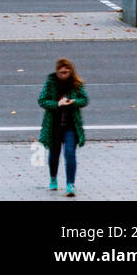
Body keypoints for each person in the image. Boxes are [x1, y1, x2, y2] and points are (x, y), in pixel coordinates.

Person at [38, 57, 88, 197]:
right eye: (61, 72)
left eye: (66, 72)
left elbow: (84, 99)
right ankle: (53, 177)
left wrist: (74, 102)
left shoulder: (76, 83)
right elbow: (42, 100)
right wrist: (57, 104)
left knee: (70, 153)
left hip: (71, 125)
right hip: (54, 125)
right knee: (54, 155)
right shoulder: (51, 82)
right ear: (57, 72)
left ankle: (70, 184)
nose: (64, 75)